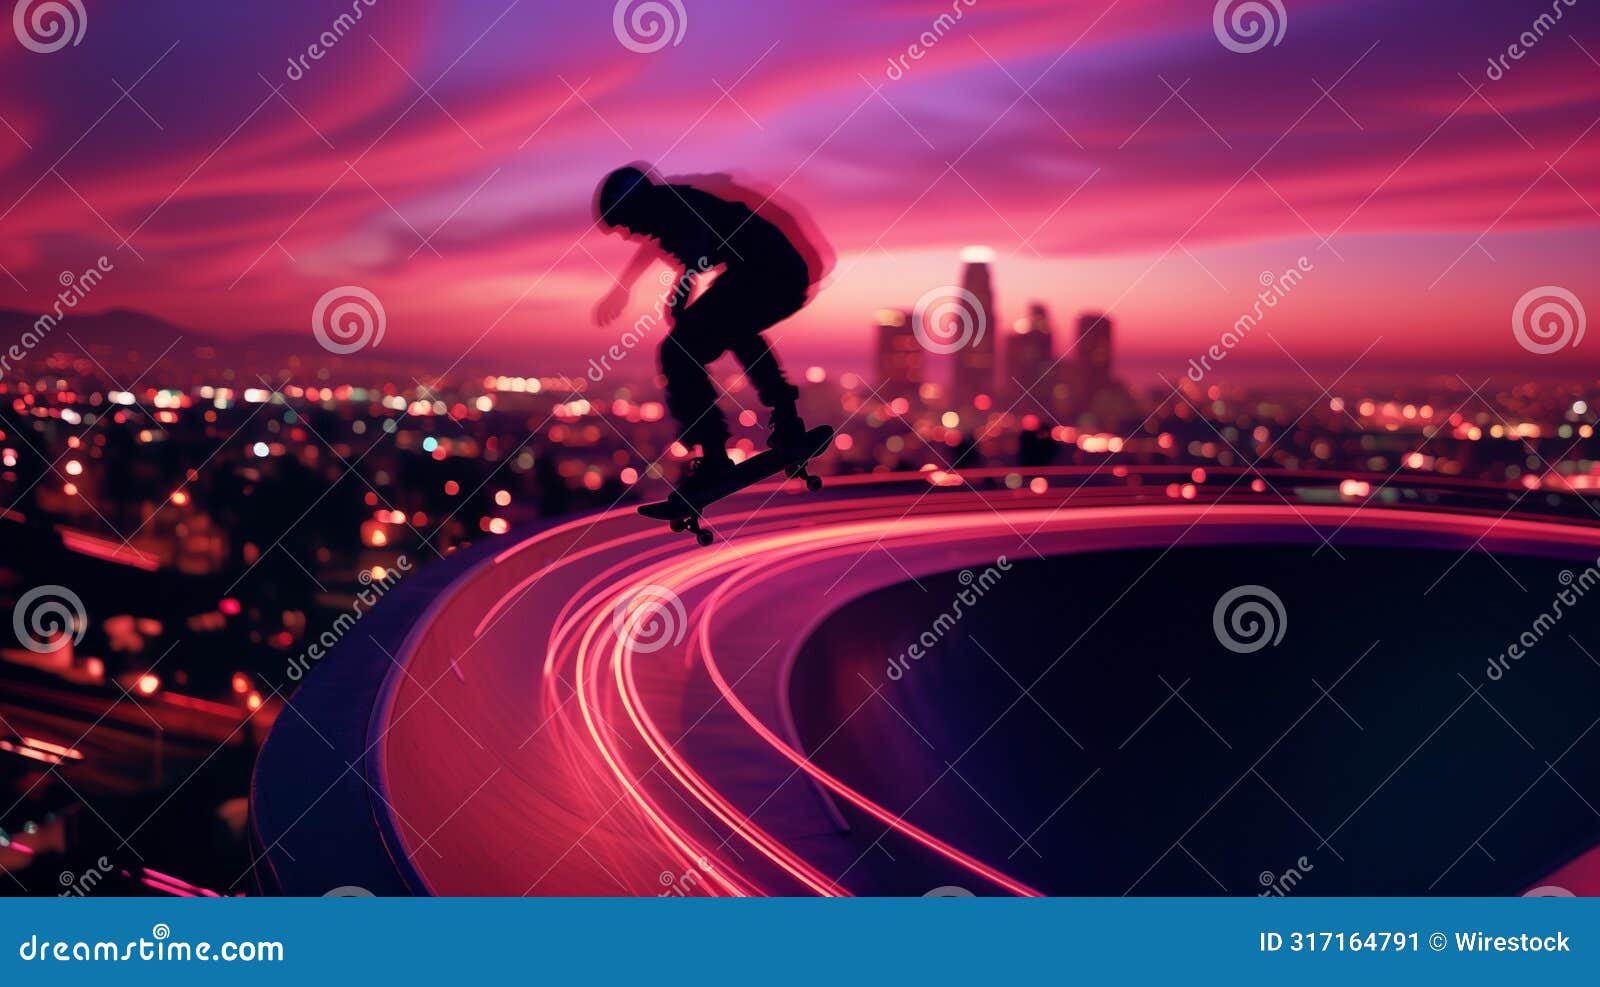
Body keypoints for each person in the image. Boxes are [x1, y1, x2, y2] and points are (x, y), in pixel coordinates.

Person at [592, 163, 829, 495]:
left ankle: (715, 453)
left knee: (678, 351)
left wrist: (681, 292)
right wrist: (625, 286)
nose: (629, 233)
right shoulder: (670, 205)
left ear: (637, 205)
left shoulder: (673, 207)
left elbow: (697, 244)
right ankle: (785, 422)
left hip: (768, 270)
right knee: (734, 327)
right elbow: (665, 246)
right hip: (778, 270)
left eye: (625, 223)